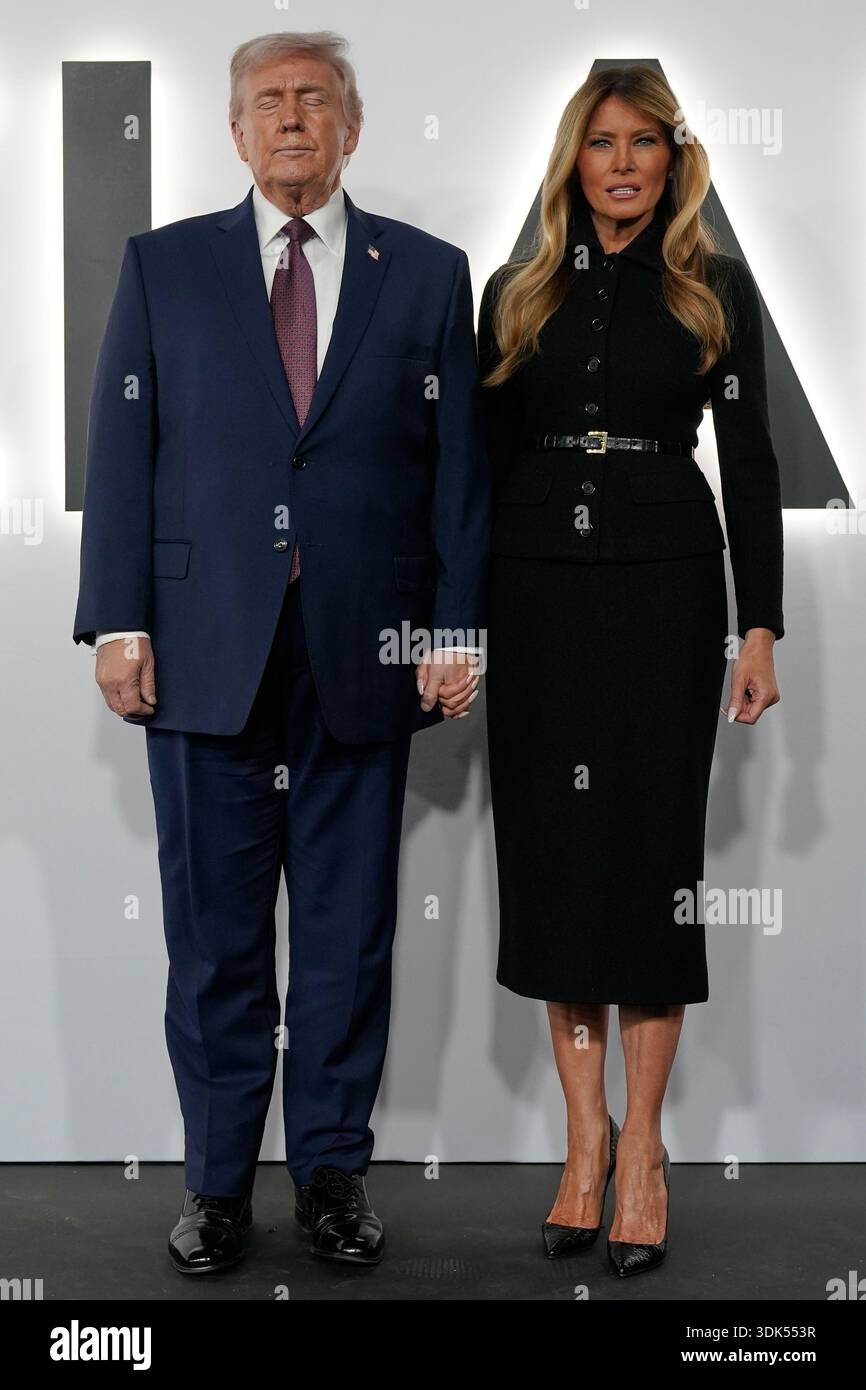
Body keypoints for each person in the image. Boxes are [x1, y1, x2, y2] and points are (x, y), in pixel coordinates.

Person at [73, 30, 490, 1273]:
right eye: (270, 101)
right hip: (202, 653)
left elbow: (458, 470)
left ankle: (331, 1179)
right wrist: (119, 617)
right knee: (213, 940)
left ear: (352, 126)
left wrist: (456, 625)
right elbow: (120, 449)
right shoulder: (164, 267)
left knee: (351, 935)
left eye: (316, 98)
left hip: (364, 654)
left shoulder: (425, 274)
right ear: (236, 131)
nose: (293, 118)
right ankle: (212, 1189)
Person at [478, 63, 783, 1278]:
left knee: (652, 861)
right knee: (554, 865)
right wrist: (452, 618)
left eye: (639, 142)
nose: (618, 162)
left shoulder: (714, 286)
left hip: (664, 585)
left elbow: (751, 461)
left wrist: (756, 625)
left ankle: (645, 1152)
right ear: (573, 157)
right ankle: (581, 1150)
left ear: (671, 155)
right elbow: (474, 466)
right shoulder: (516, 290)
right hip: (537, 585)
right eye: (597, 142)